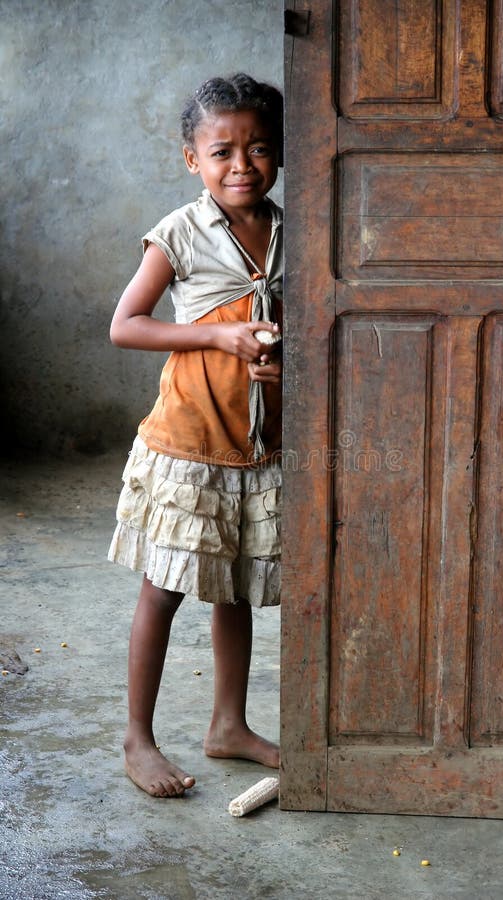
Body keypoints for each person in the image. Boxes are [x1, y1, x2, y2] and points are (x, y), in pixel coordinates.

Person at [108, 73, 284, 798]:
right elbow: (127, 325)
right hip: (189, 444)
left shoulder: (292, 230)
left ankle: (228, 726)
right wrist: (219, 340)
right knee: (164, 590)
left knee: (234, 588)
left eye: (259, 148)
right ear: (193, 160)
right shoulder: (180, 231)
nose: (241, 164)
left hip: (256, 443)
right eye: (222, 152)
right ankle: (137, 739)